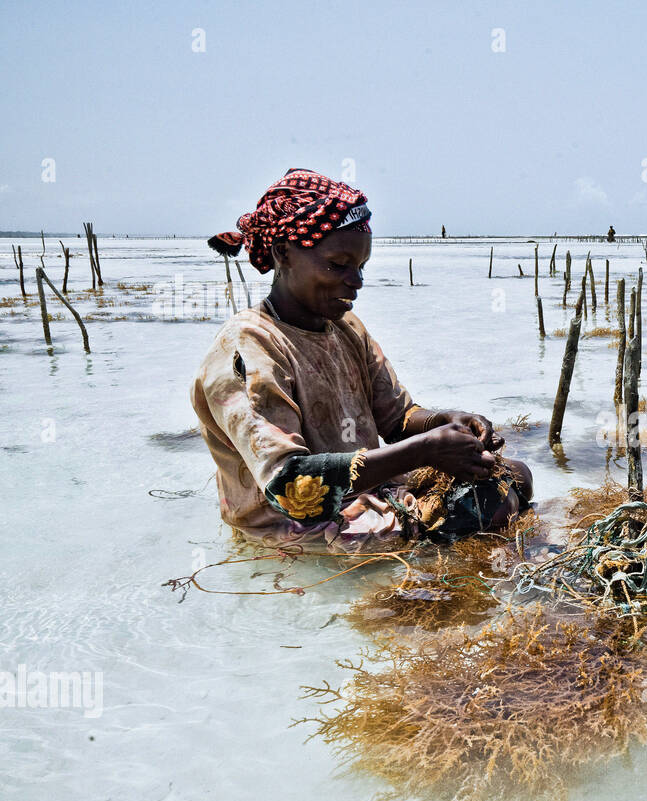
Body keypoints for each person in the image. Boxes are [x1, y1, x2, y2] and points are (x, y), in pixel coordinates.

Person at [192, 168, 532, 552]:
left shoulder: (345, 327)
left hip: (371, 489)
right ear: (284, 253)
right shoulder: (249, 347)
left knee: (516, 477)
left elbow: (398, 419)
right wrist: (426, 450)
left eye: (361, 267)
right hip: (297, 525)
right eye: (337, 265)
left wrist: (446, 423)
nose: (356, 281)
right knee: (494, 504)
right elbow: (291, 486)